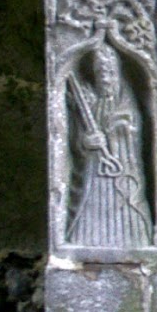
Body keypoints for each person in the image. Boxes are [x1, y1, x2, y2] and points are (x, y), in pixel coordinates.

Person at [65, 45, 152, 246]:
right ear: (94, 74)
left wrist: (116, 131)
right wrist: (86, 142)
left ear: (118, 73)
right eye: (101, 72)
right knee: (90, 208)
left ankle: (133, 240)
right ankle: (86, 239)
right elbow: (75, 140)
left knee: (129, 202)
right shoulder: (89, 104)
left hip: (123, 169)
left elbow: (134, 130)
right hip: (93, 176)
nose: (106, 77)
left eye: (110, 72)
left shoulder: (126, 103)